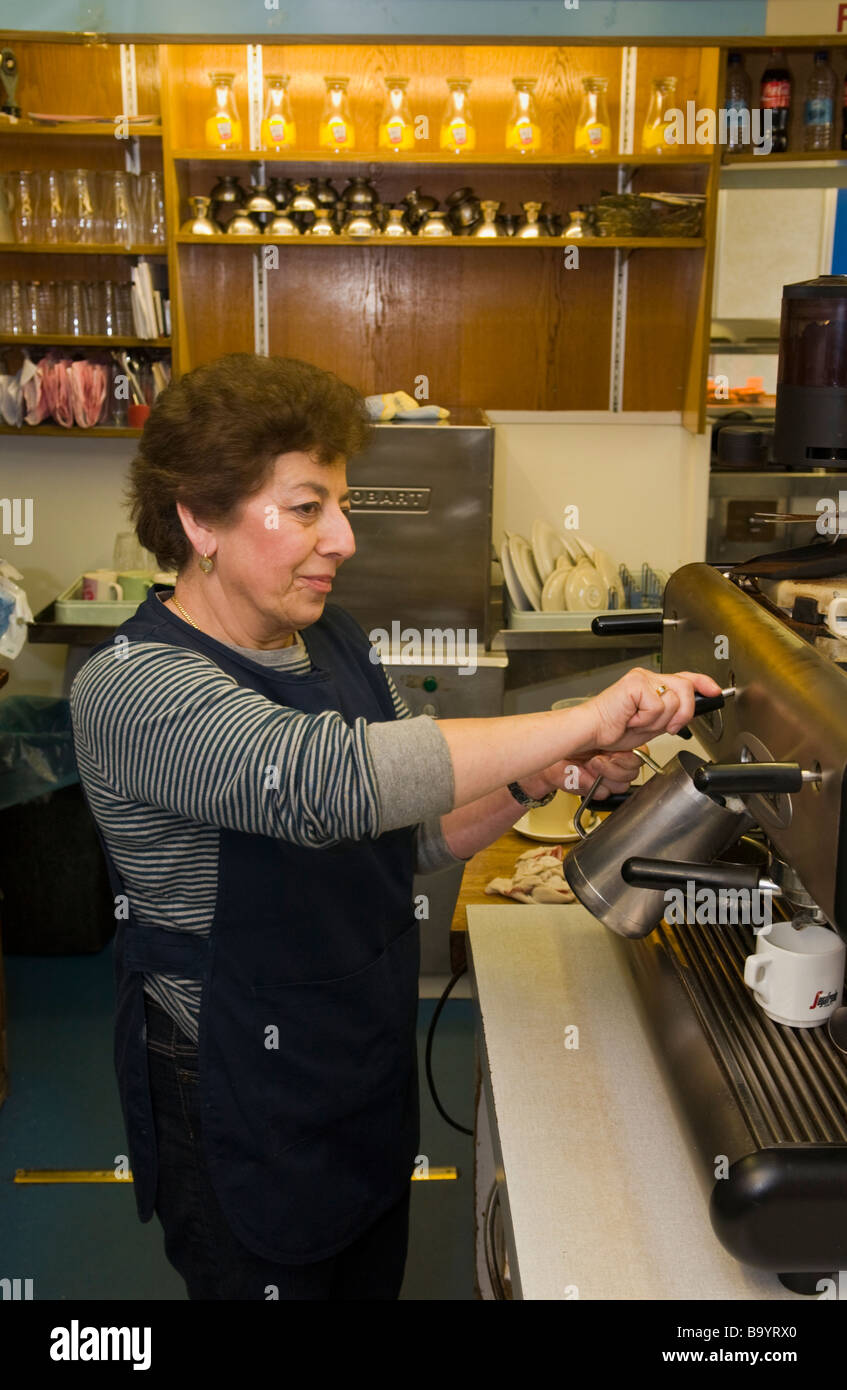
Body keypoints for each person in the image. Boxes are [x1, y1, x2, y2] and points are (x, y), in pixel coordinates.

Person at [69, 353, 720, 1301]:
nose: (342, 539)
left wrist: (539, 775)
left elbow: (405, 831)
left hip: (354, 1056)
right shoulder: (135, 689)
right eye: (304, 509)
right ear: (198, 518)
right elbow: (322, 785)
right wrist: (586, 715)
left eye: (340, 505)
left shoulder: (328, 636)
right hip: (242, 1083)